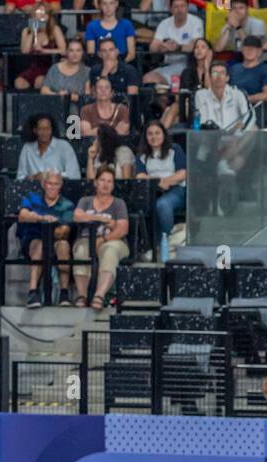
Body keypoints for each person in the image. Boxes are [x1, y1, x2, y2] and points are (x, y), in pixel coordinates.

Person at [71, 166, 130, 309]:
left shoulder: (118, 203)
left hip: (113, 241)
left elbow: (123, 228)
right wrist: (99, 218)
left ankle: (99, 295)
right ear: (95, 182)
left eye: (110, 181)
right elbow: (77, 216)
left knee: (110, 251)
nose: (105, 184)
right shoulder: (86, 201)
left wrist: (104, 239)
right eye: (102, 180)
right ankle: (82, 296)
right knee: (81, 250)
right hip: (87, 239)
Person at [17, 169, 74, 307]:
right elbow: (22, 215)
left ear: (60, 186)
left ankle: (64, 293)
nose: (52, 187)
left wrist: (53, 226)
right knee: (41, 245)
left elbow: (65, 230)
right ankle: (33, 292)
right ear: (43, 184)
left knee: (64, 246)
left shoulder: (68, 205)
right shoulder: (31, 198)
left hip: (56, 241)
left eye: (56, 184)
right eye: (49, 183)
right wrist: (41, 218)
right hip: (33, 239)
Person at [135, 121, 187, 259]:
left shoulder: (175, 149)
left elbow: (183, 173)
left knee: (162, 205)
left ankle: (166, 242)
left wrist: (166, 182)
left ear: (164, 134)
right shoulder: (142, 155)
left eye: (157, 133)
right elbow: (140, 175)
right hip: (153, 191)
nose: (153, 137)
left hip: (176, 190)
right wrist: (158, 183)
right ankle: (152, 246)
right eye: (150, 134)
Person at [143, 0, 204, 88]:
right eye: (176, 7)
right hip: (168, 66)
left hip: (189, 67)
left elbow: (195, 45)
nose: (180, 10)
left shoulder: (196, 22)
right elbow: (152, 47)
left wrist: (177, 47)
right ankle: (167, 100)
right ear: (170, 9)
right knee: (147, 78)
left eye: (182, 6)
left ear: (187, 7)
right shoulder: (164, 23)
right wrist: (162, 47)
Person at [15, 3, 66, 91]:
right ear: (33, 15)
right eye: (39, 12)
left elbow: (63, 50)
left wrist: (43, 50)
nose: (42, 15)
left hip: (49, 66)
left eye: (45, 12)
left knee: (39, 81)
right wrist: (33, 30)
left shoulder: (54, 29)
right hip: (33, 67)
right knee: (19, 83)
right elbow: (24, 51)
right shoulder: (26, 31)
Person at [16, 113, 81, 181]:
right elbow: (20, 178)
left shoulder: (64, 146)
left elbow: (74, 176)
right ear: (35, 130)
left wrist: (51, 175)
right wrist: (34, 177)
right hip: (33, 190)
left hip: (59, 190)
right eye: (40, 129)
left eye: (47, 129)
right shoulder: (27, 148)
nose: (44, 132)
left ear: (52, 130)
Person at [228, 36, 267, 121]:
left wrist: (245, 99)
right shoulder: (234, 68)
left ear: (259, 51)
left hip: (255, 110)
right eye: (246, 48)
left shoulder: (266, 69)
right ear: (242, 49)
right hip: (231, 109)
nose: (249, 51)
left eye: (253, 48)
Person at [41, 35, 91, 103]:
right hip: (55, 105)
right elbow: (44, 90)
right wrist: (57, 95)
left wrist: (68, 97)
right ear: (66, 52)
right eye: (71, 50)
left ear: (83, 53)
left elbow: (87, 97)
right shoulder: (54, 68)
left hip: (77, 108)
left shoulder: (87, 71)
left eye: (78, 50)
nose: (75, 54)